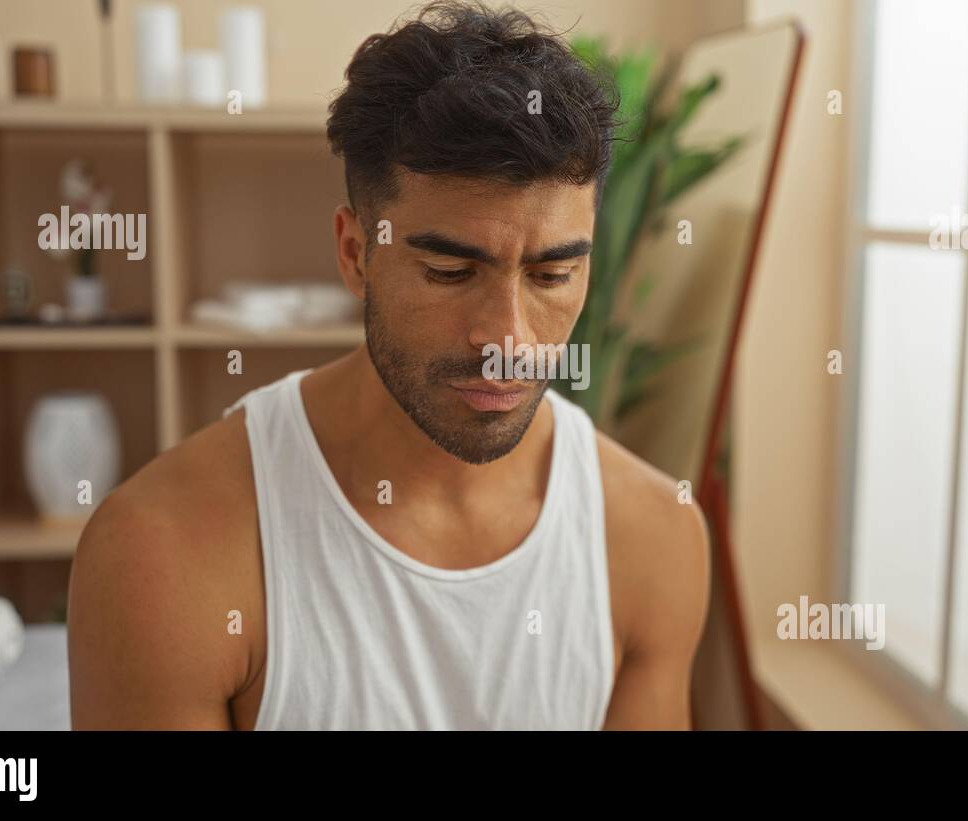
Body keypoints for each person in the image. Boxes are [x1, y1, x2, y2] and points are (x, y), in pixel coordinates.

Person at [68, 0, 710, 730]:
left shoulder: (652, 537)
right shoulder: (164, 552)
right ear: (355, 254)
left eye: (552, 276)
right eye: (448, 270)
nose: (507, 338)